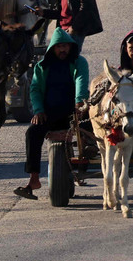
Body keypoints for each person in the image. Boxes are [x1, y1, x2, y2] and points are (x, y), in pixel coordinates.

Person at [15, 27, 90, 200]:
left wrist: (80, 102)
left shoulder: (79, 62)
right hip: (49, 113)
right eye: (59, 46)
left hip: (75, 112)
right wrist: (39, 110)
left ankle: (85, 166)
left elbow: (81, 80)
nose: (63, 50)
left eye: (65, 46)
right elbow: (35, 90)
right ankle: (34, 179)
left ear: (71, 47)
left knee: (93, 127)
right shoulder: (42, 67)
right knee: (32, 132)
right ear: (53, 48)